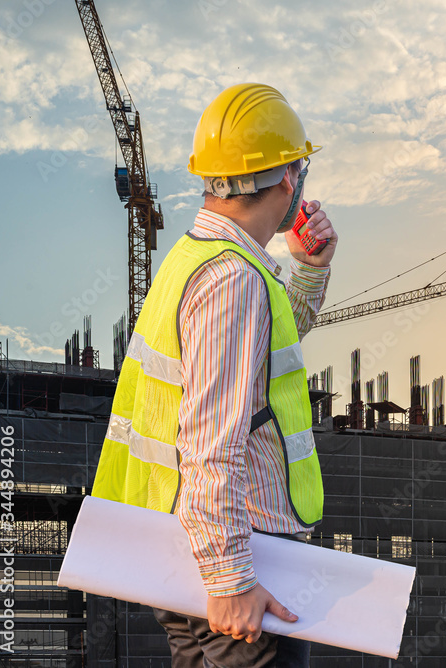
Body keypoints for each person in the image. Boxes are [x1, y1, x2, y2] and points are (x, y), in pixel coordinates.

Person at [91, 82, 337, 667]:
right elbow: (211, 443)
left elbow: (255, 360)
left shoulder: (195, 257)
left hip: (184, 552)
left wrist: (308, 270)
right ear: (288, 178)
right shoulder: (233, 279)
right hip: (239, 563)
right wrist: (231, 579)